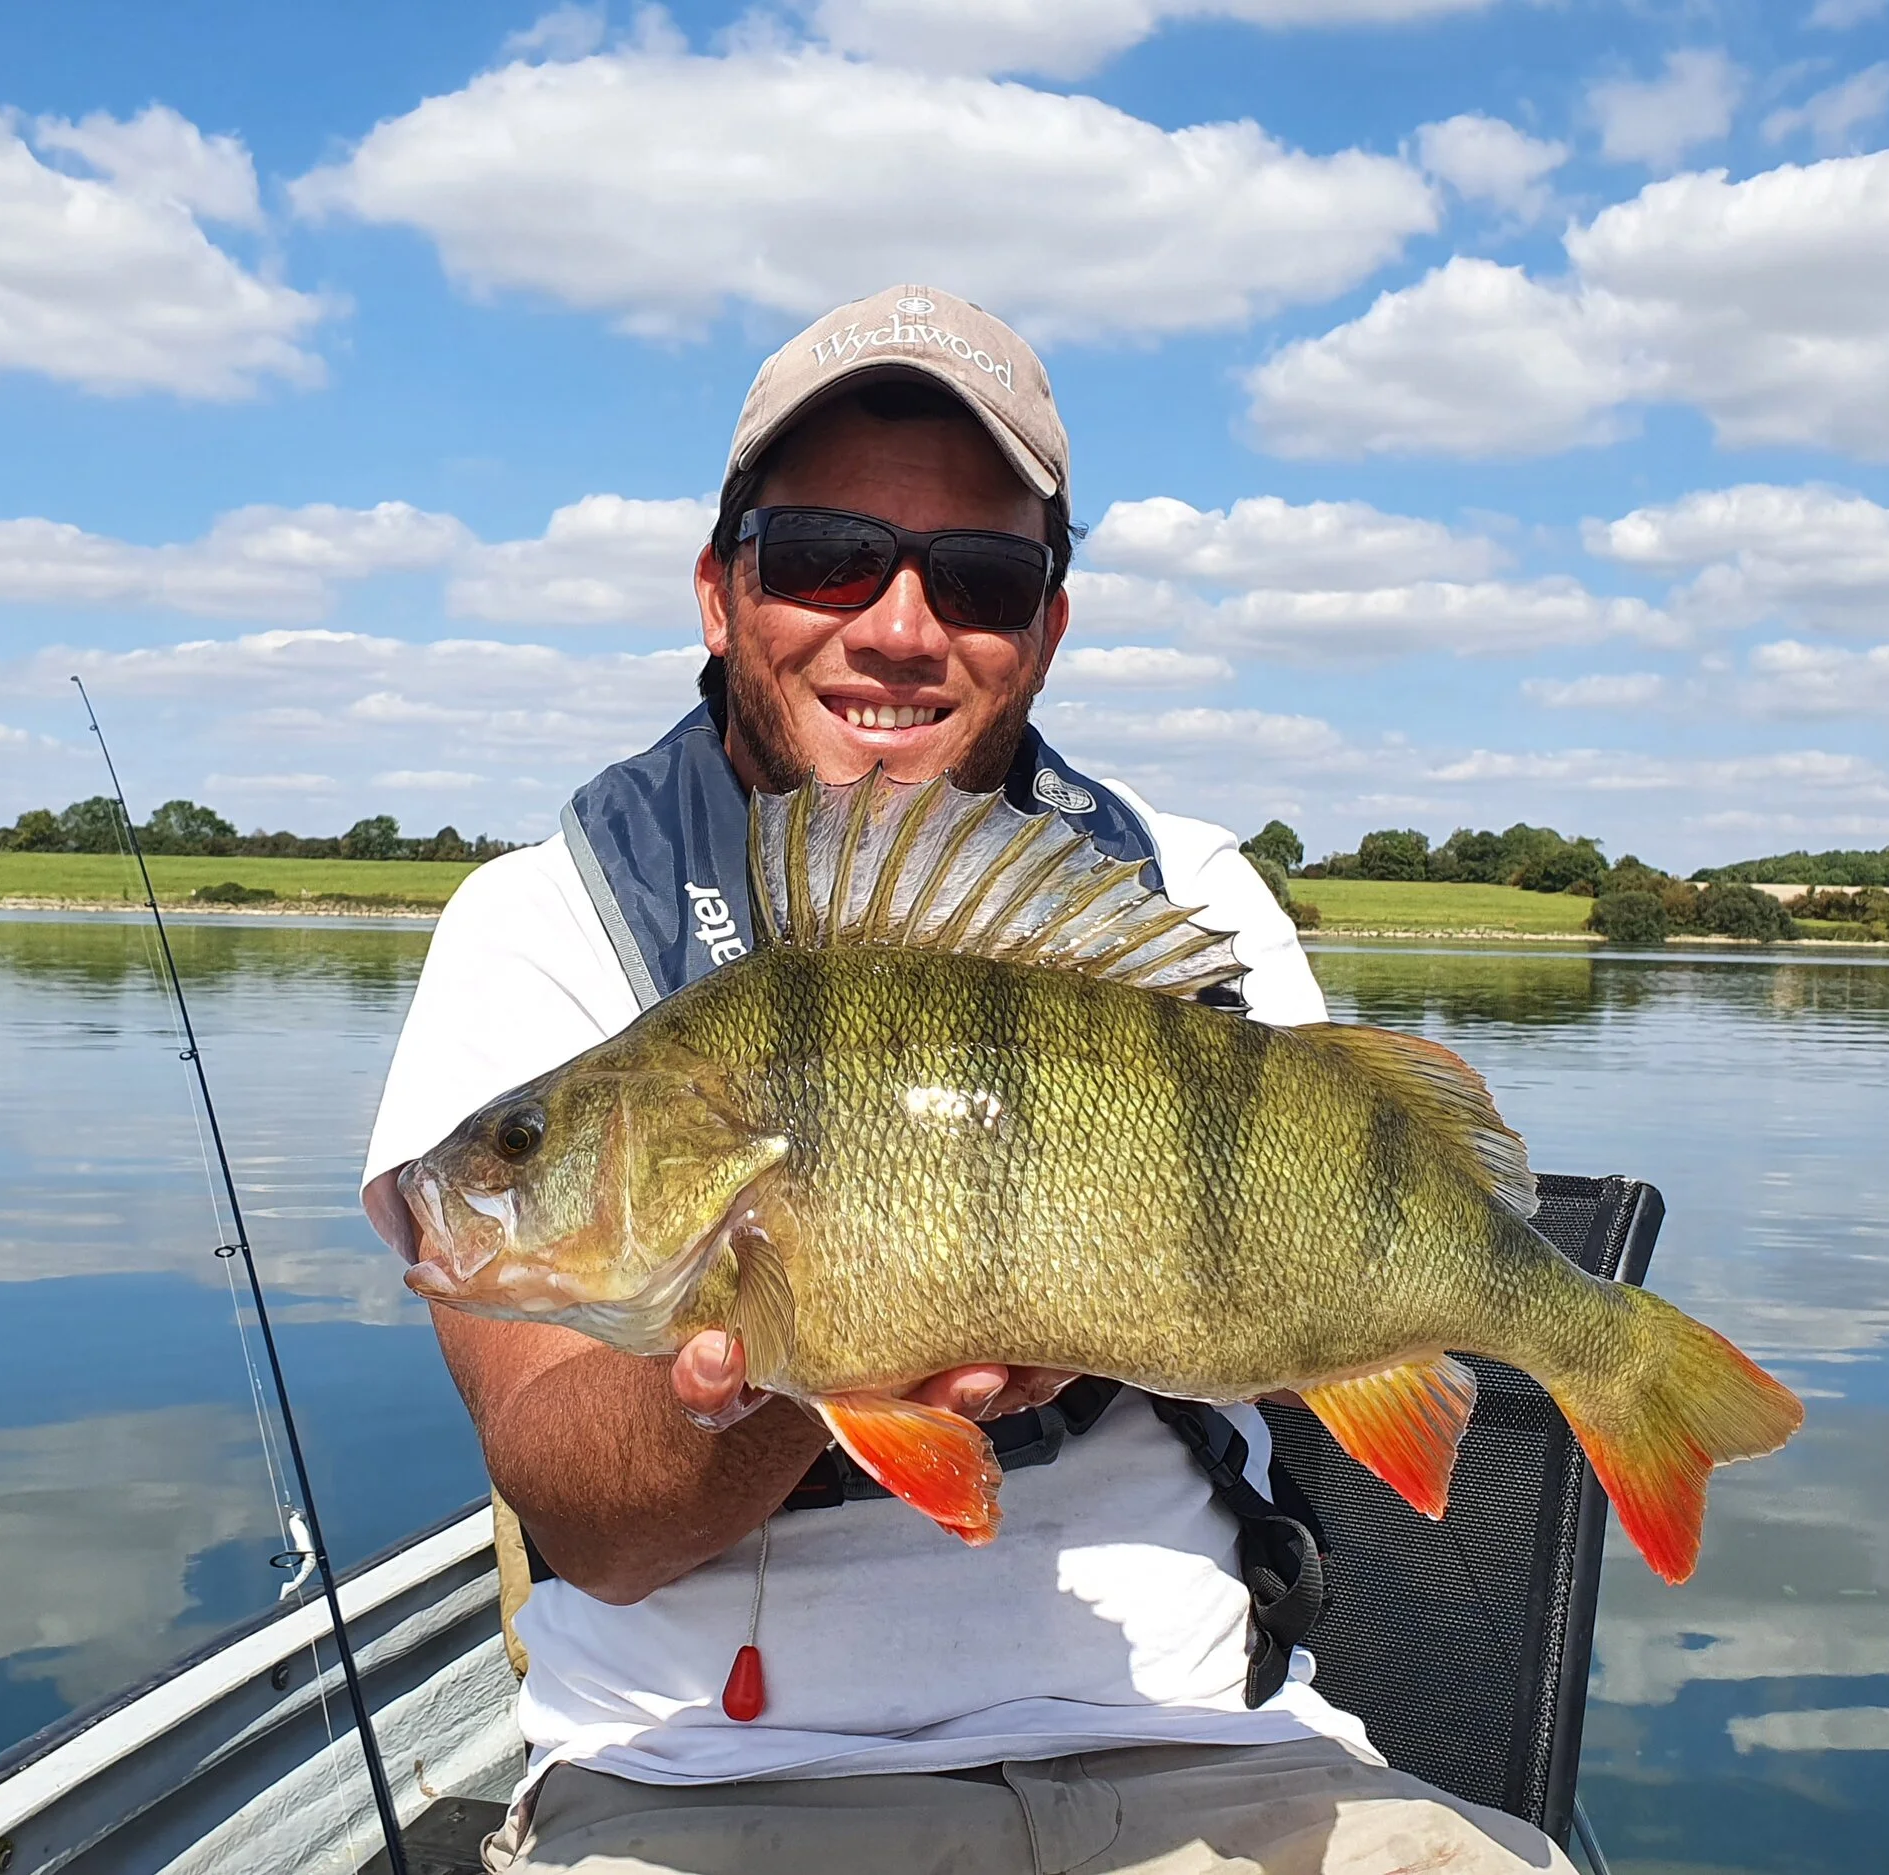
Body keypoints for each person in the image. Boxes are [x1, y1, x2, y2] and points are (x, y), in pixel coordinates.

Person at [361, 284, 1575, 1875]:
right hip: (715, 1791)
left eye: (982, 576)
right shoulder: (545, 925)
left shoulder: (1186, 901)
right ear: (722, 592)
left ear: (1049, 629)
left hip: (1211, 1760)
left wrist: (1160, 1284)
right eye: (821, 556)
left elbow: (1327, 1304)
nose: (900, 627)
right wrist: (811, 1347)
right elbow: (585, 1518)